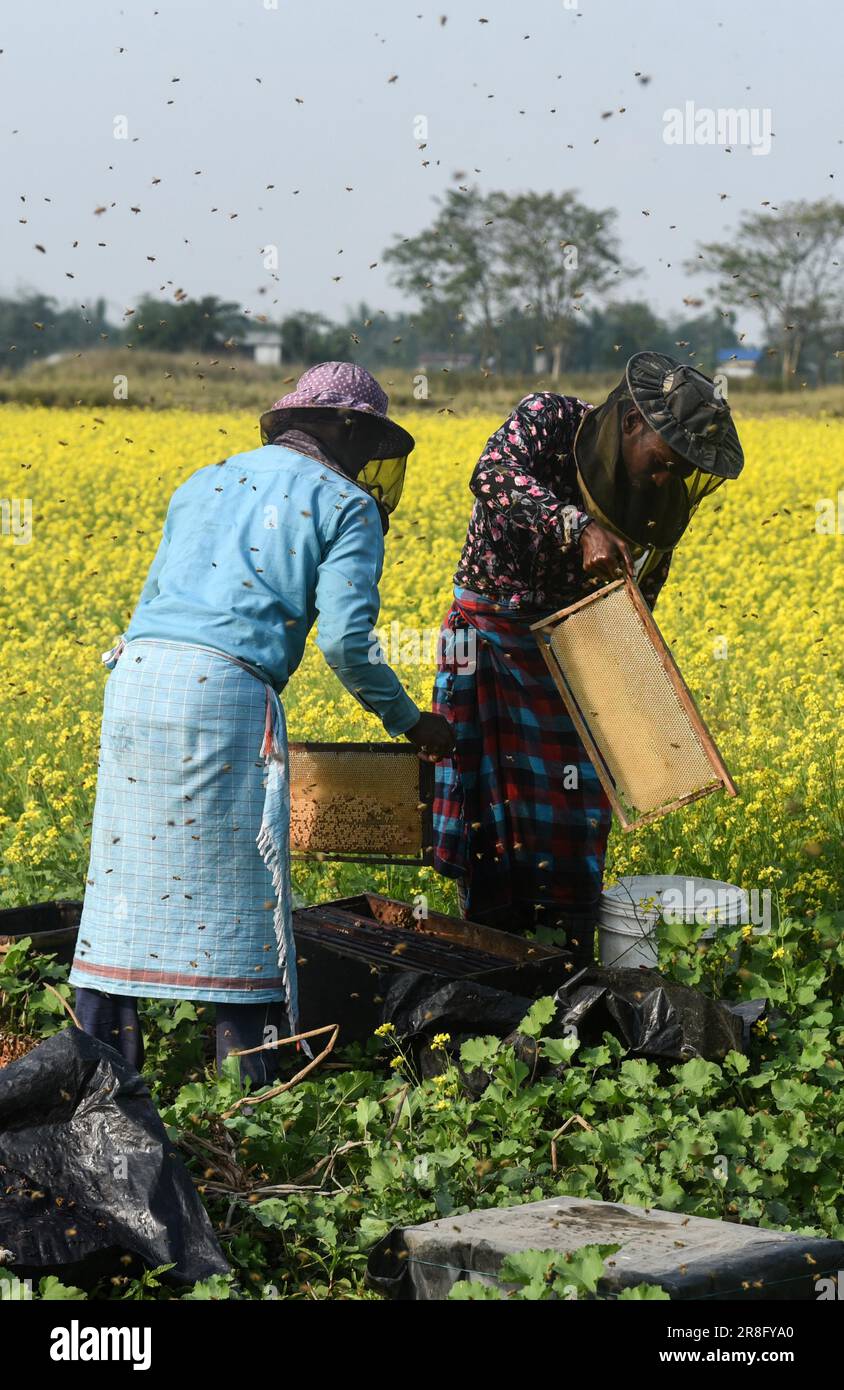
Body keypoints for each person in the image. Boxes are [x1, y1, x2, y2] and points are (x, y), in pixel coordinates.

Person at [69, 362, 453, 1083]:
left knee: (123, 873)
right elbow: (345, 640)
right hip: (220, 693)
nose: (367, 457)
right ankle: (250, 1076)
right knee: (241, 885)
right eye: (366, 438)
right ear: (344, 427)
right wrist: (408, 721)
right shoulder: (345, 504)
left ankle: (99, 1070)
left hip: (136, 679)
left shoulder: (206, 477)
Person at [432, 352, 744, 962]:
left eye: (677, 473)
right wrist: (576, 528)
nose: (663, 479)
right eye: (661, 462)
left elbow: (637, 606)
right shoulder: (548, 419)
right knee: (490, 812)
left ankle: (566, 960)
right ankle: (493, 954)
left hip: (578, 656)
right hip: (489, 640)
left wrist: (654, 719)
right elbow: (491, 474)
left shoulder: (658, 504)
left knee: (574, 816)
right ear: (631, 424)